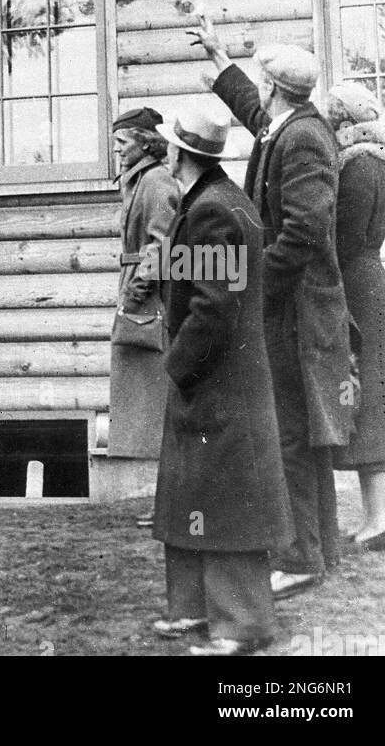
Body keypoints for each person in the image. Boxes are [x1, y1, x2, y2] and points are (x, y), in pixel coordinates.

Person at [189, 17, 356, 599]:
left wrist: (253, 286)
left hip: (297, 314)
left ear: (277, 88)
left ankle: (301, 557)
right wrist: (220, 58)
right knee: (299, 434)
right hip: (295, 311)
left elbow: (305, 232)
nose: (257, 92)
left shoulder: (304, 137)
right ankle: (317, 551)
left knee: (288, 434)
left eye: (260, 82)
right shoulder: (288, 125)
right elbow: (258, 121)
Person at [151, 102, 292, 656]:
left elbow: (213, 309)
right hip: (215, 379)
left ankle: (240, 626)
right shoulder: (213, 202)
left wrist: (177, 366)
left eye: (167, 144)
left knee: (228, 500)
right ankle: (193, 610)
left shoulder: (215, 211)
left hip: (219, 382)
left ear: (178, 153)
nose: (163, 149)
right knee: (193, 491)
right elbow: (196, 284)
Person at [325, 82, 385, 548]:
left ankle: (381, 520)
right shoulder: (378, 163)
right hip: (372, 286)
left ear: (343, 124)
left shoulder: (355, 169)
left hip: (356, 289)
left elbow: (343, 240)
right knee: (377, 400)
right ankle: (382, 516)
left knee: (370, 403)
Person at [108, 108, 179, 479]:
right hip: (139, 295)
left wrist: (135, 293)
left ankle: (166, 500)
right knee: (145, 402)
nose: (117, 151)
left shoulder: (156, 181)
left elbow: (161, 246)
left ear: (144, 142)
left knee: (155, 402)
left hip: (151, 301)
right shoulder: (139, 180)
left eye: (123, 143)